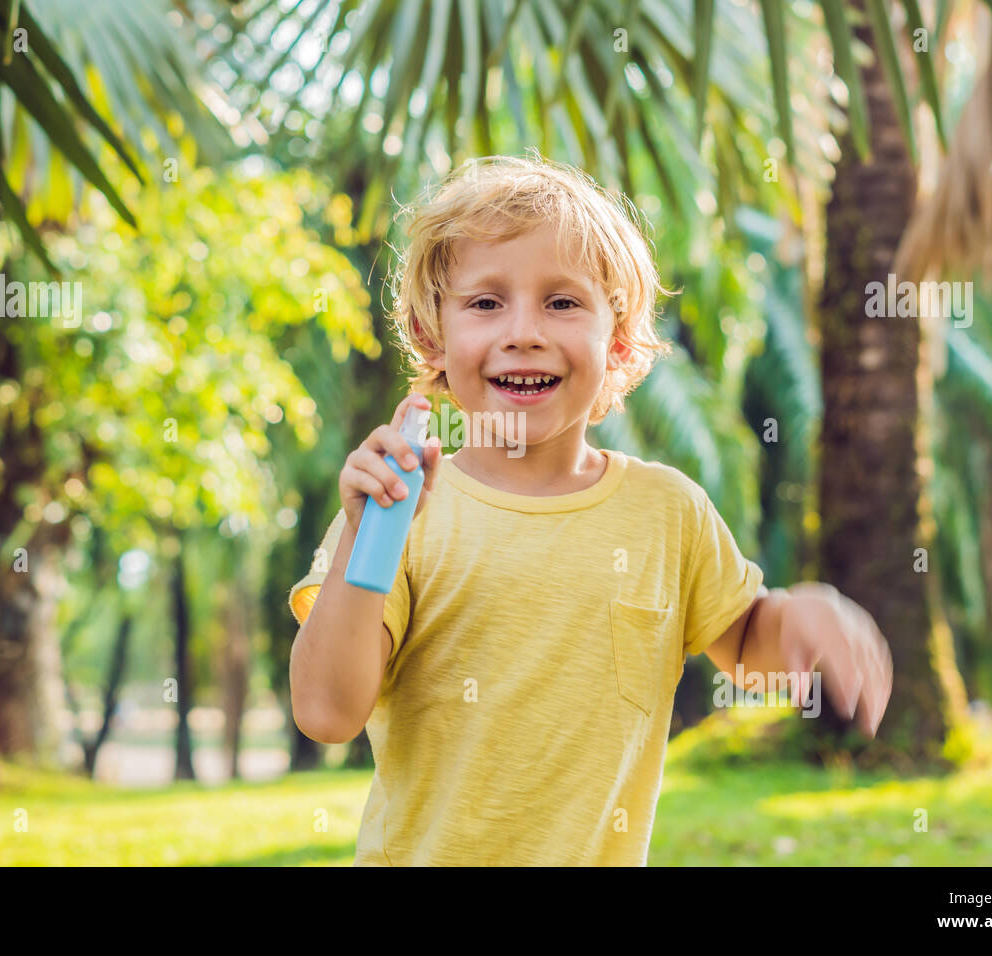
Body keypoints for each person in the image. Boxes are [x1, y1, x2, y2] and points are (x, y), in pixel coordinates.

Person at [287, 152, 892, 866]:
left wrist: (801, 617)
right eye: (485, 303)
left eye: (562, 302)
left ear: (620, 342)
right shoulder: (396, 512)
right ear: (432, 336)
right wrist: (366, 545)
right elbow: (328, 712)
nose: (523, 332)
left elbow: (746, 639)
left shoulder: (669, 511)